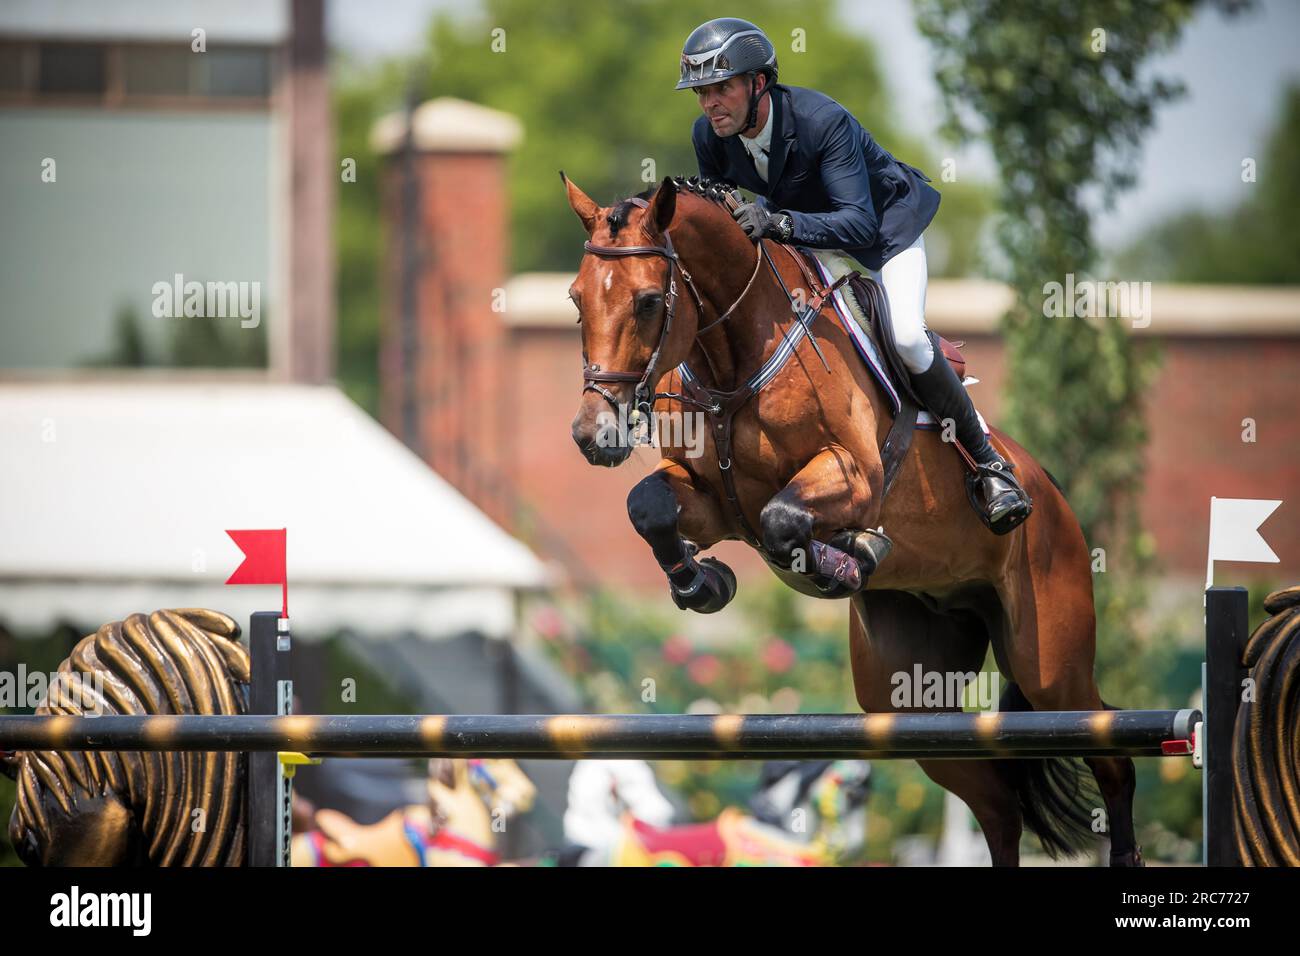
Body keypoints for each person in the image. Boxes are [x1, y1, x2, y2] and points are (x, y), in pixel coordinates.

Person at [677, 17, 1031, 534]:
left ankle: (989, 464)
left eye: (722, 88)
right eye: (702, 92)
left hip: (884, 236)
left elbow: (858, 220)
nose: (711, 103)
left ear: (758, 83)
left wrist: (776, 222)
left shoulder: (823, 121)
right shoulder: (709, 136)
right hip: (807, 241)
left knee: (908, 336)